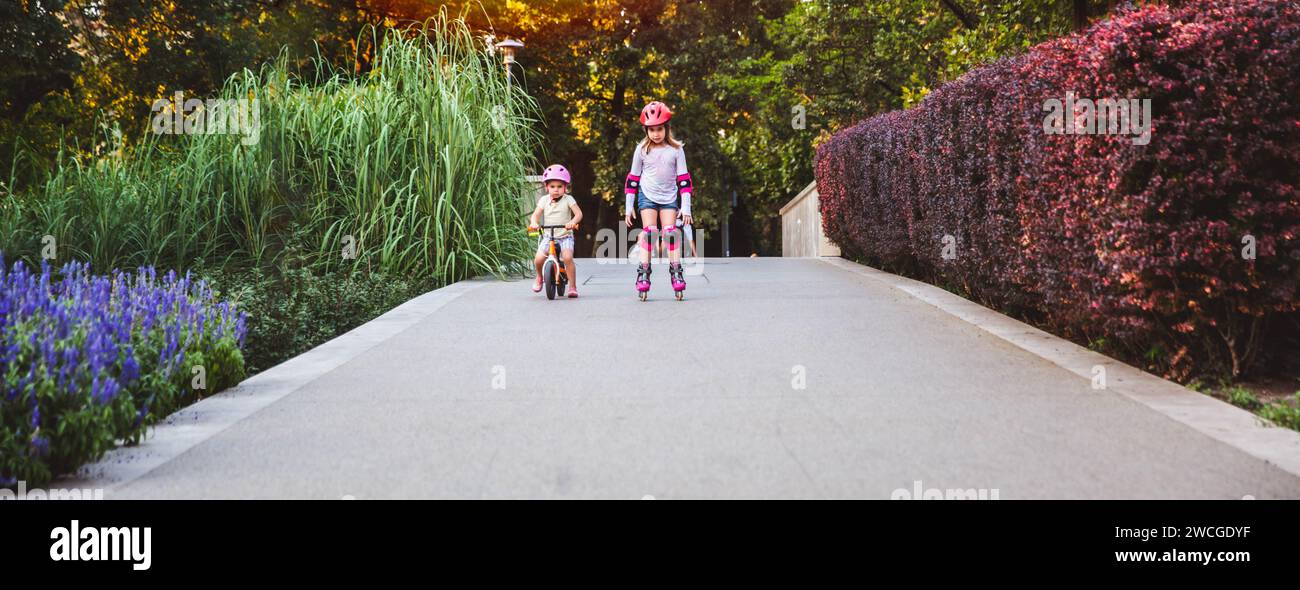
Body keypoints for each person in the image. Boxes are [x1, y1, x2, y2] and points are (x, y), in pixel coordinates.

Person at [623, 101, 693, 298]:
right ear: (646, 130)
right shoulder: (641, 150)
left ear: (666, 128)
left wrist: (686, 208)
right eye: (651, 130)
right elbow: (633, 180)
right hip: (647, 195)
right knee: (650, 234)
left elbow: (684, 181)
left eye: (659, 129)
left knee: (671, 233)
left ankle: (676, 273)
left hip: (669, 196)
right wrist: (629, 207)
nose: (655, 134)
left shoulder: (676, 150)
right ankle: (643, 274)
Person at [528, 164, 582, 297]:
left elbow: (579, 214)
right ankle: (540, 277)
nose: (556, 190)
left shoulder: (568, 199)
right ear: (546, 187)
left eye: (559, 186)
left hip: (565, 235)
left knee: (568, 257)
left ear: (565, 187)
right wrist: (534, 223)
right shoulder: (544, 200)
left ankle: (573, 287)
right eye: (552, 186)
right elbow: (536, 215)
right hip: (548, 236)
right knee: (538, 259)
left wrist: (572, 222)